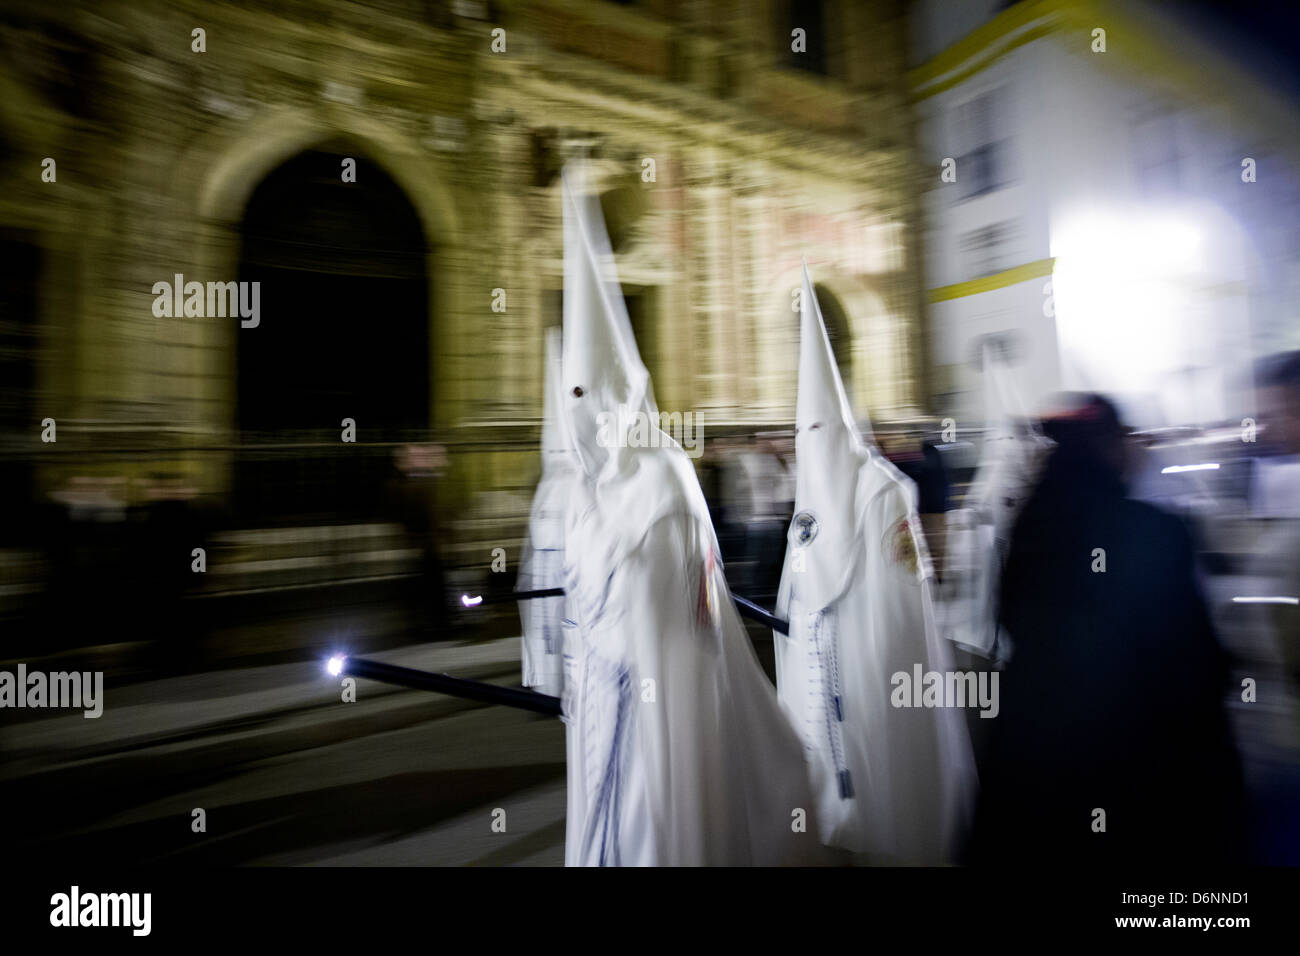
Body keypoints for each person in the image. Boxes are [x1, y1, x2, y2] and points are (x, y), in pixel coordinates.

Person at [557, 167, 828, 866]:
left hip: (660, 696)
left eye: (591, 394)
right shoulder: (587, 490)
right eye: (571, 397)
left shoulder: (663, 477)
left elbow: (676, 612)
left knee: (664, 819)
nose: (580, 413)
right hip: (603, 698)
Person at [971, 393, 1245, 865]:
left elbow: (1006, 623)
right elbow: (1192, 661)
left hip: (1034, 760)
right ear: (1112, 446)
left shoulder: (1028, 530)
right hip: (1134, 759)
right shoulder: (1153, 529)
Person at [772, 263, 976, 863]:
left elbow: (902, 608)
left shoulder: (884, 491)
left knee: (883, 785)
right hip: (818, 666)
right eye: (802, 431)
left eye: (820, 428)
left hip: (873, 672)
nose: (811, 441)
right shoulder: (809, 496)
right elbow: (796, 584)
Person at [517, 328, 575, 697]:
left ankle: (561, 678)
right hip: (545, 565)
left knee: (561, 625)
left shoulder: (573, 479)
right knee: (546, 626)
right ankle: (549, 677)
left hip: (566, 564)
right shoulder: (549, 481)